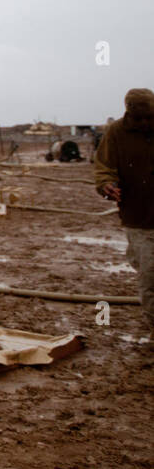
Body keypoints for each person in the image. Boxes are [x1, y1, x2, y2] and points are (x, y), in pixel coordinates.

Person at [95, 88, 154, 341]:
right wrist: (106, 185)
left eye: (149, 118)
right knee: (150, 274)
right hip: (138, 217)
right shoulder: (116, 133)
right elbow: (104, 167)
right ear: (128, 113)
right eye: (138, 118)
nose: (144, 123)